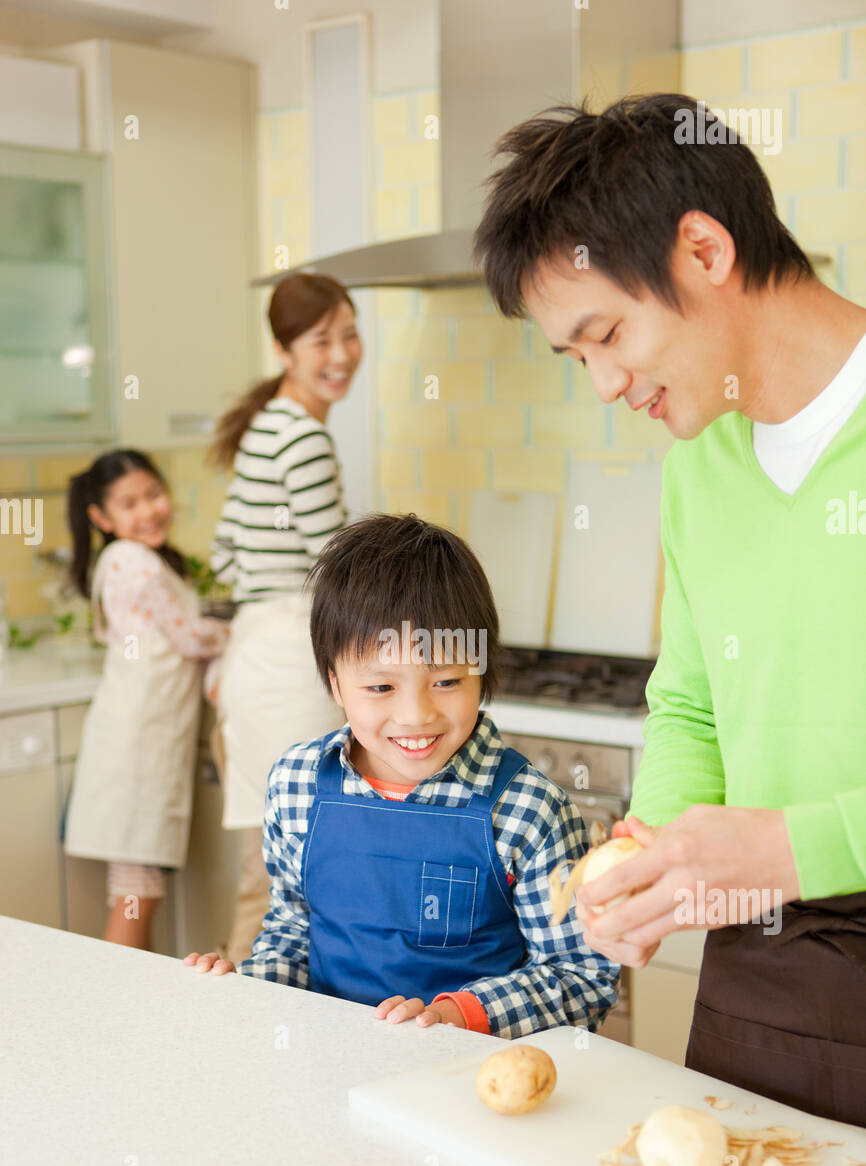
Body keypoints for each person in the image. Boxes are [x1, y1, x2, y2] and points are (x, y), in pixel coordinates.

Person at [472, 93, 866, 1122]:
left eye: (604, 333)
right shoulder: (700, 467)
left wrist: (785, 847)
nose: (602, 383)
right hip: (763, 965)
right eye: (573, 357)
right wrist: (649, 850)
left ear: (700, 249)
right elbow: (688, 702)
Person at [184, 514, 619, 1039]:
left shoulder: (530, 809)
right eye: (381, 688)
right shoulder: (295, 784)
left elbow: (581, 976)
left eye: (446, 680)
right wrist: (249, 985)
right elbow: (294, 930)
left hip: (470, 1085)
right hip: (326, 1068)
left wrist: (461, 1014)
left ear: (482, 672)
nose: (416, 715)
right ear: (335, 683)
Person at [207, 272, 360, 964]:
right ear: (284, 350)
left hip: (259, 659)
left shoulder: (270, 426)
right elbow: (336, 566)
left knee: (270, 878)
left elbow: (225, 554)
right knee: (286, 885)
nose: (343, 353)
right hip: (288, 669)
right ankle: (242, 1040)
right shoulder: (300, 437)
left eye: (351, 334)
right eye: (321, 339)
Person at [63, 450, 229, 949]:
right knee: (138, 891)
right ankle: (120, 1016)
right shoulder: (135, 561)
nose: (149, 510)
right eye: (130, 503)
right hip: (138, 746)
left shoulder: (122, 558)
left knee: (135, 887)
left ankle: (127, 1014)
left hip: (133, 738)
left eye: (154, 494)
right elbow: (191, 639)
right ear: (101, 517)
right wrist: (236, 633)